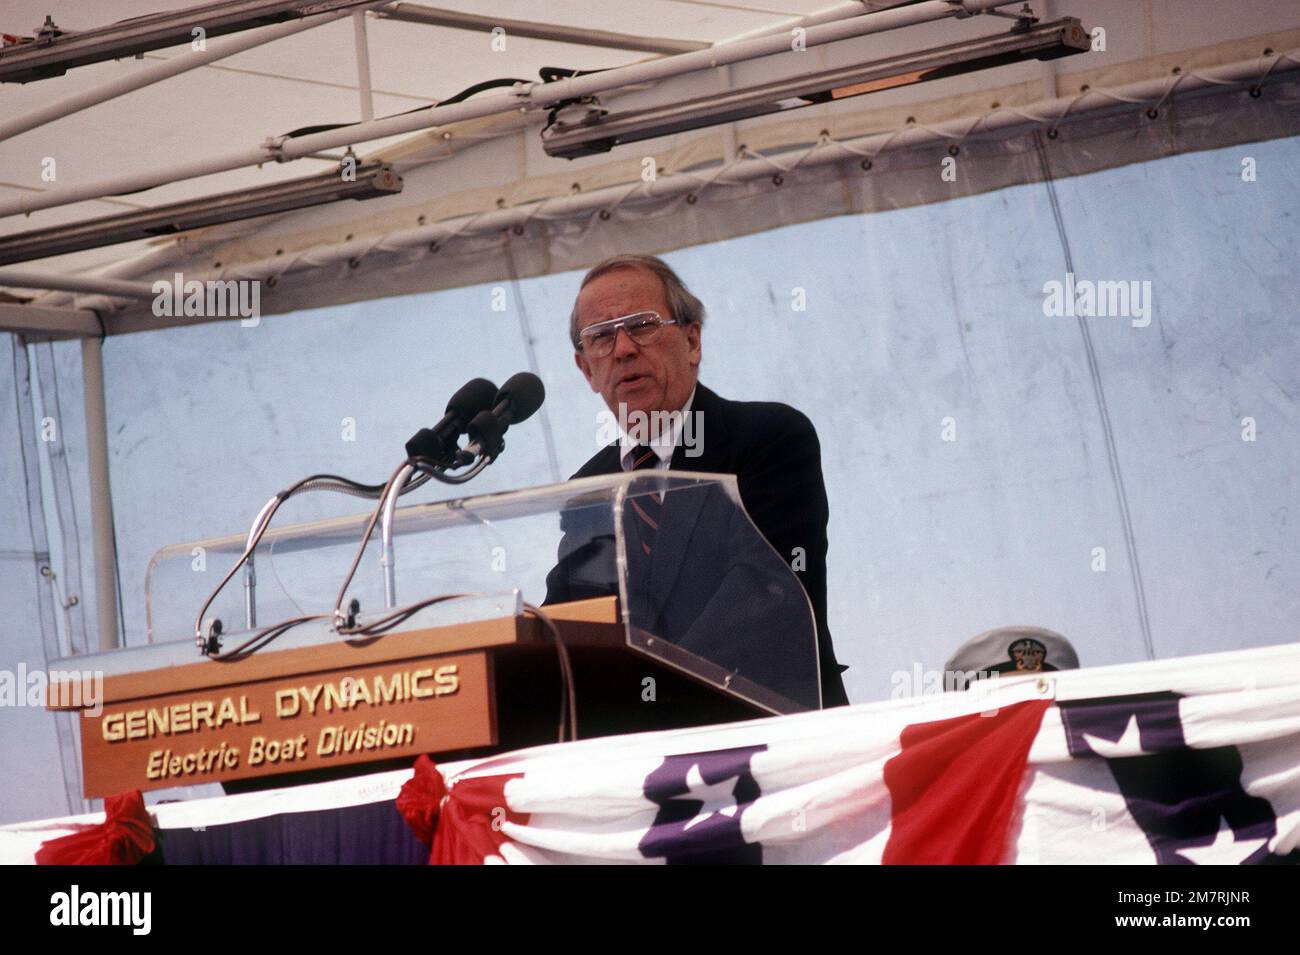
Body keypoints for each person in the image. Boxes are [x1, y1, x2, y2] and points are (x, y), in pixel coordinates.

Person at [543, 254, 849, 707]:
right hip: (634, 748)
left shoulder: (768, 438)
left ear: (692, 340)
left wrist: (639, 686)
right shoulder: (588, 488)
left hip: (769, 728)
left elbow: (769, 595)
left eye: (642, 325)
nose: (623, 348)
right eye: (601, 337)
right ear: (587, 369)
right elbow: (570, 622)